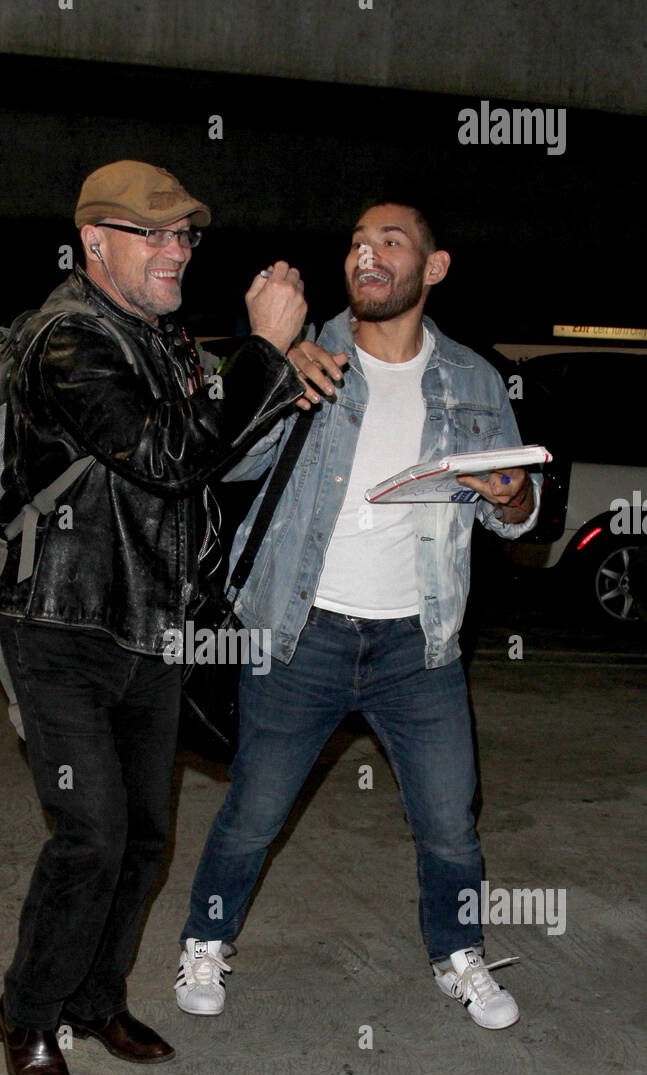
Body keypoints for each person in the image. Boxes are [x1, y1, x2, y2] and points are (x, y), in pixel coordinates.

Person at [174, 197, 541, 1032]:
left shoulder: (475, 381)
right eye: (354, 243)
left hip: (421, 643)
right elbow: (222, 462)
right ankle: (205, 938)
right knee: (254, 811)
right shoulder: (307, 355)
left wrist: (517, 497)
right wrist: (270, 375)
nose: (365, 256)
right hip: (301, 635)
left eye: (390, 242)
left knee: (450, 819)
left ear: (433, 267)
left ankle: (457, 951)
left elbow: (511, 509)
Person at [0, 160, 307, 1075]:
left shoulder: (162, 337)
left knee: (146, 837)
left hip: (153, 627)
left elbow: (211, 443)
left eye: (186, 236)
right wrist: (262, 350)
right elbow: (165, 456)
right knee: (91, 833)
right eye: (156, 234)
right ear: (96, 244)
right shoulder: (64, 339)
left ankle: (94, 998)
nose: (179, 251)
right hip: (63, 622)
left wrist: (280, 383)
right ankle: (28, 1013)